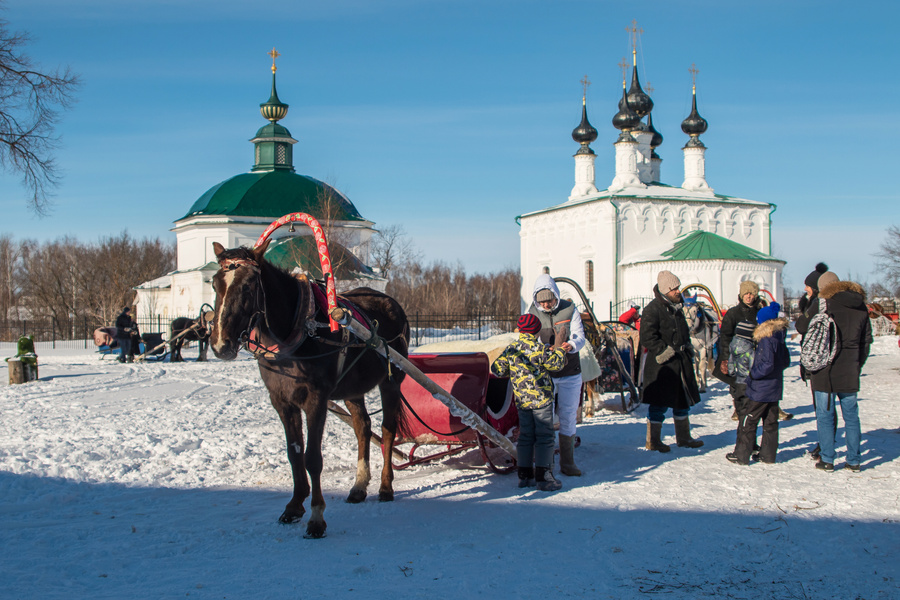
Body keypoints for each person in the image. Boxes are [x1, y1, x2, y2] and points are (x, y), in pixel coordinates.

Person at [491, 314, 567, 491]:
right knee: (545, 437)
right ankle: (544, 477)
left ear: (520, 330)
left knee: (525, 437)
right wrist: (560, 350)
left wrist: (514, 371)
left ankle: (525, 476)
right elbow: (556, 365)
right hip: (542, 400)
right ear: (537, 330)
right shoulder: (540, 349)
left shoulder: (512, 349)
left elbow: (497, 369)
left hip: (522, 401)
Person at [808, 272, 873, 472]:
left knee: (825, 414)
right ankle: (853, 460)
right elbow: (866, 340)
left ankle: (827, 458)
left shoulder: (823, 304)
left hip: (824, 369)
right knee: (851, 416)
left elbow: (804, 327)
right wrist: (856, 364)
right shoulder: (860, 306)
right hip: (850, 368)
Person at [528, 274, 587, 476]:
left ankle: (568, 462)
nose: (546, 304)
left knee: (568, 416)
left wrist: (571, 345)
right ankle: (546, 463)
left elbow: (580, 336)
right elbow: (529, 340)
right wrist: (542, 350)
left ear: (555, 295)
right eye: (542, 301)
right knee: (544, 418)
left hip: (570, 371)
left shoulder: (569, 309)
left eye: (550, 300)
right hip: (545, 375)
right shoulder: (533, 313)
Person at [639, 270, 703, 452]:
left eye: (678, 287)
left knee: (682, 402)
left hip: (680, 362)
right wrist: (664, 351)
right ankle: (653, 441)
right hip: (663, 366)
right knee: (659, 404)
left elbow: (683, 332)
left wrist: (688, 347)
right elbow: (647, 337)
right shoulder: (652, 309)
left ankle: (684, 438)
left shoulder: (677, 307)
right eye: (674, 288)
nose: (678, 291)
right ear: (665, 290)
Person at [726, 303, 790, 465]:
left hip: (762, 388)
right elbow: (785, 361)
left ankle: (741, 455)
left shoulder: (767, 338)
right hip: (775, 386)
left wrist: (753, 374)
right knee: (770, 422)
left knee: (749, 420)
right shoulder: (779, 336)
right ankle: (768, 455)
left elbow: (767, 364)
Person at [794, 262, 830, 458]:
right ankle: (825, 442)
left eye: (808, 286)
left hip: (819, 360)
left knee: (823, 406)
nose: (805, 289)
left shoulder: (818, 304)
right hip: (825, 359)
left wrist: (806, 307)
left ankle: (825, 444)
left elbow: (801, 325)